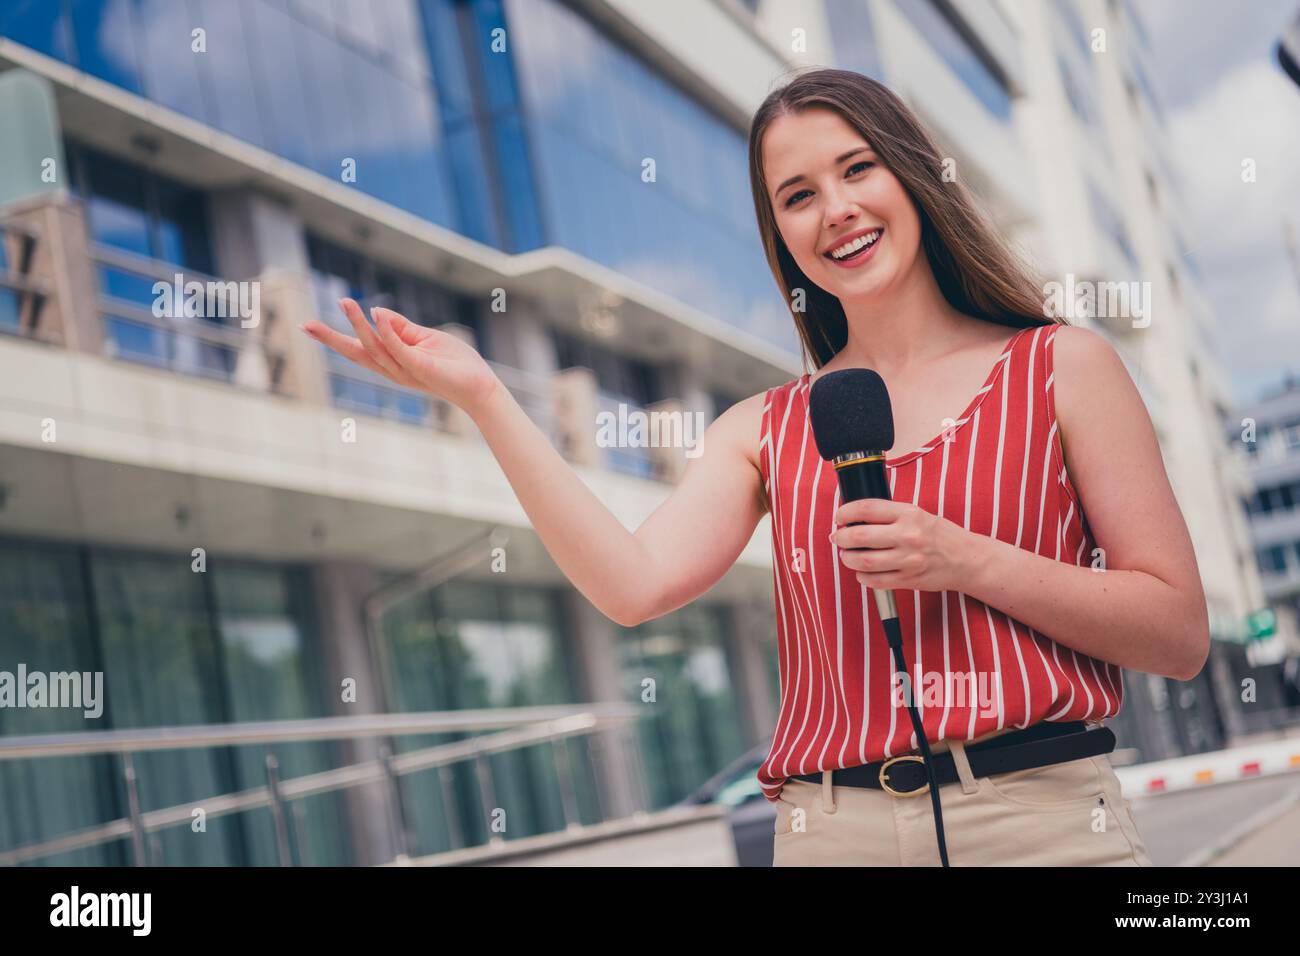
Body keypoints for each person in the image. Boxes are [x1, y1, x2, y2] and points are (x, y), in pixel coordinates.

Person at [300, 68, 1209, 866]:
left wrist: (967, 561)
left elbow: (1176, 632)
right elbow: (632, 585)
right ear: (781, 234)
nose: (837, 209)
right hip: (831, 834)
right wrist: (488, 399)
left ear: (919, 177)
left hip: (1039, 826)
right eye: (798, 195)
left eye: (858, 169)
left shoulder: (1063, 367)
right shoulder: (764, 428)